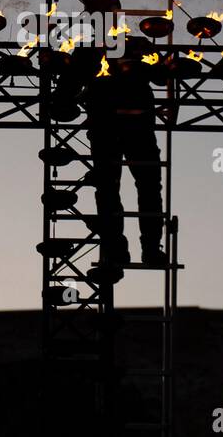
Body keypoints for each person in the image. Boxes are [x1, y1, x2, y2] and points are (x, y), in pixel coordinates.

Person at [51, 37, 166, 269]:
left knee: (119, 188)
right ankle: (131, 249)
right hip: (122, 131)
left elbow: (160, 74)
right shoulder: (97, 61)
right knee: (125, 188)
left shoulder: (118, 61)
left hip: (118, 131)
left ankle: (135, 249)